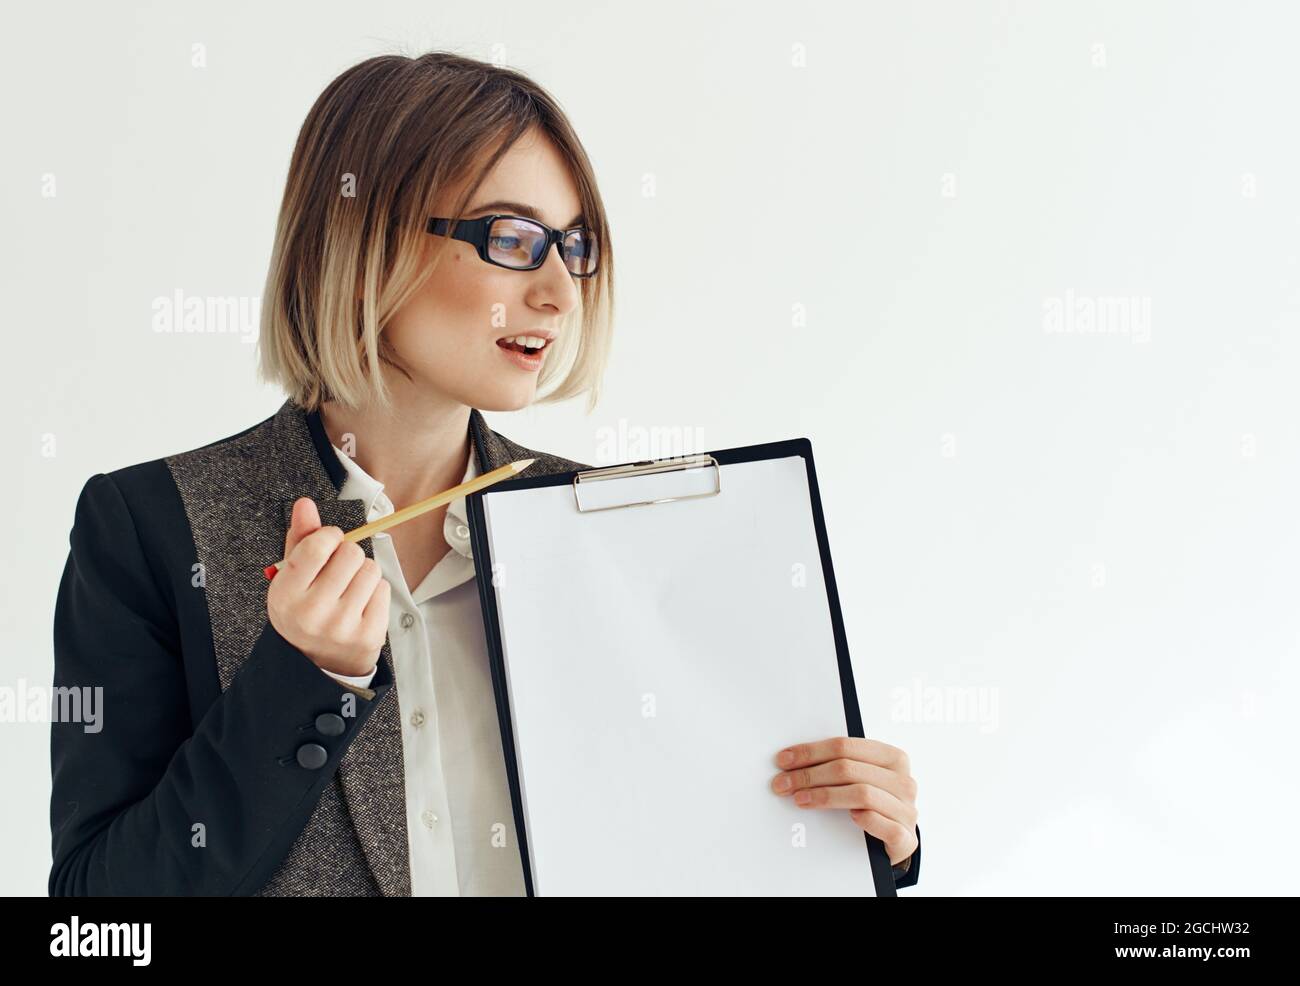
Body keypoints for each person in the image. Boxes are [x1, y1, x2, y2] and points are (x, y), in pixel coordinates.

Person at [48, 50, 919, 896]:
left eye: (573, 246)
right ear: (365, 239)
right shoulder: (151, 523)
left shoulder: (610, 527)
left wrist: (858, 840)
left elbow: (691, 843)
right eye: (512, 238)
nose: (560, 291)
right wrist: (304, 680)